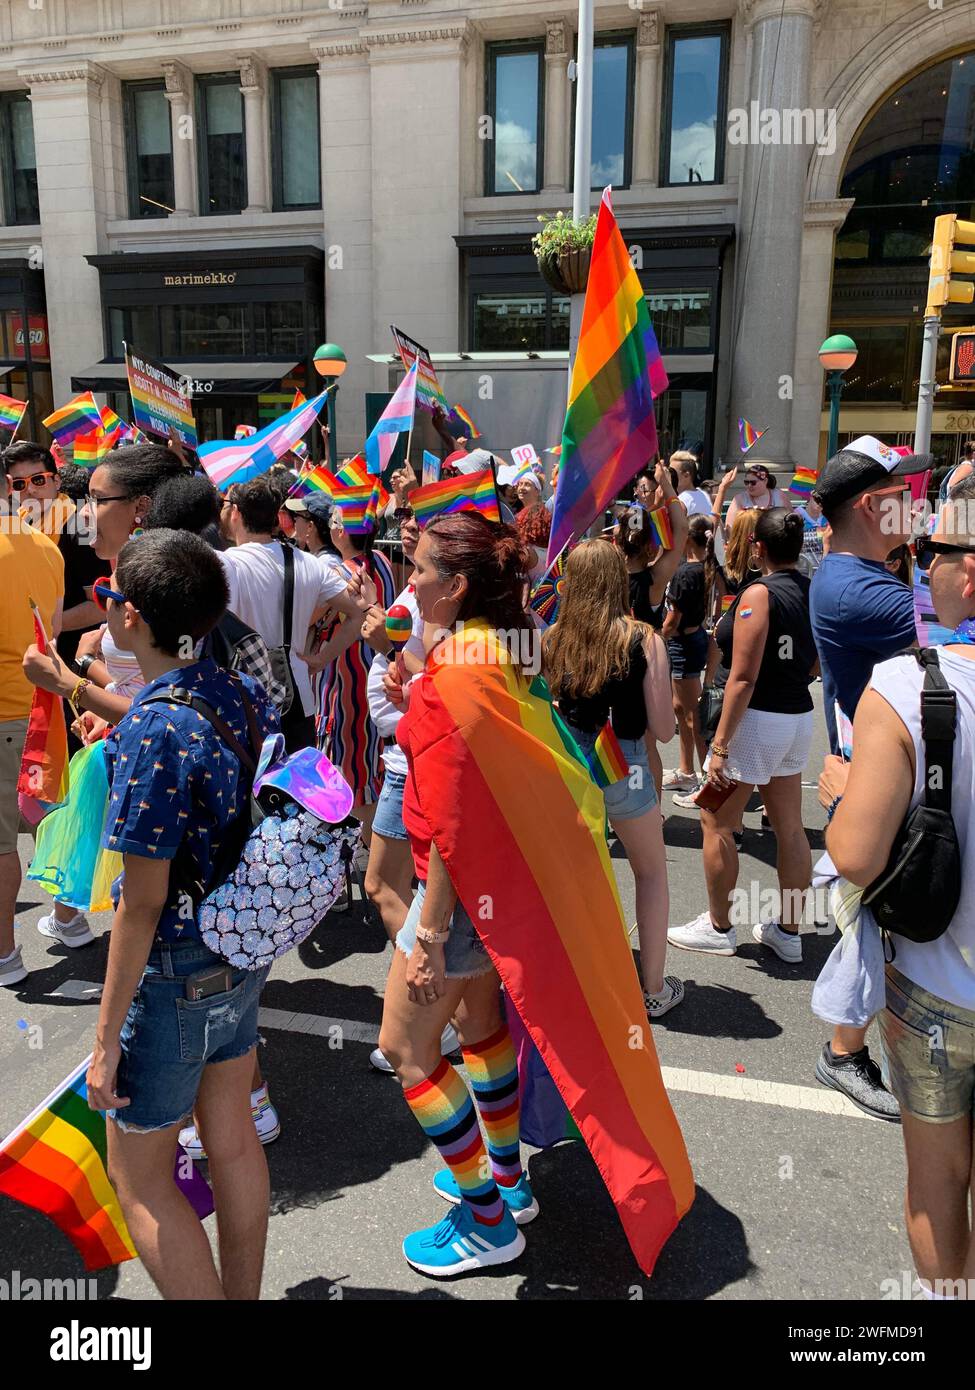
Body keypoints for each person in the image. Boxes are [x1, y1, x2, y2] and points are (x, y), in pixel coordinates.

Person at [377, 510, 692, 1276]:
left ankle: (486, 1220)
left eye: (417, 568)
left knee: (407, 1052)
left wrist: (426, 934)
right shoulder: (493, 651)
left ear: (453, 586)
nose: (407, 578)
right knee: (483, 1035)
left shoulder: (456, 673)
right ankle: (509, 1183)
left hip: (457, 891)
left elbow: (455, 820)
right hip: (501, 893)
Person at [84, 529, 278, 1299]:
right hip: (241, 949)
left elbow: (142, 902)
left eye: (107, 596)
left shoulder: (151, 729)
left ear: (130, 616)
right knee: (230, 1143)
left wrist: (104, 1043)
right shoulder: (229, 687)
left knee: (140, 1178)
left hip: (174, 971)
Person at [819, 477, 975, 1296]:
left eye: (933, 553)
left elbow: (851, 855)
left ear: (970, 573)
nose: (922, 569)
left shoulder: (907, 684)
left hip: (939, 986)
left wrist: (843, 788)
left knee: (937, 1183)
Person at [809, 434, 926, 1119]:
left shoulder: (863, 576)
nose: (914, 505)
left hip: (880, 777)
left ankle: (850, 1048)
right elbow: (949, 625)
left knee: (882, 924)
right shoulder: (857, 590)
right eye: (902, 496)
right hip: (878, 787)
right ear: (871, 504)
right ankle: (845, 1054)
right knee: (879, 923)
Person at [667, 509, 817, 961]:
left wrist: (719, 746)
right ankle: (788, 932)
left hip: (756, 723)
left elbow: (743, 678)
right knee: (789, 828)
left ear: (758, 548)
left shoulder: (759, 594)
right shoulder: (811, 591)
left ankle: (719, 927)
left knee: (714, 819)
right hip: (796, 718)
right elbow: (816, 659)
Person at [544, 540, 682, 1016]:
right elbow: (664, 730)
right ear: (618, 579)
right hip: (627, 767)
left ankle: (574, 977)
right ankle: (653, 988)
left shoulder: (553, 637)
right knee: (650, 873)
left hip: (569, 765)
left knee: (574, 878)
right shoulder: (644, 639)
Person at [218, 477, 369, 751]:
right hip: (298, 699)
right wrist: (323, 658)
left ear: (236, 512)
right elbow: (358, 614)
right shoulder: (310, 563)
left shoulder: (223, 565)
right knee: (295, 790)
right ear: (276, 518)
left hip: (240, 702)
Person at [0, 474, 63, 987]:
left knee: (2, 842)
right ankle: (70, 917)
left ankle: (4, 954)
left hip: (3, 712)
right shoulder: (45, 544)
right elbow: (54, 630)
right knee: (47, 820)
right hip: (44, 707)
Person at [301, 492, 395, 832]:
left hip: (344, 678)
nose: (331, 525)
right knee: (367, 762)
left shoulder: (337, 571)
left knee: (345, 765)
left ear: (342, 531)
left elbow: (313, 619)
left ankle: (366, 845)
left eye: (335, 520)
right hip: (375, 669)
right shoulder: (381, 560)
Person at [5, 440, 102, 669]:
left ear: (56, 480)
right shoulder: (17, 523)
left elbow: (100, 606)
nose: (30, 490)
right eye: (19, 484)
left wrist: (45, 626)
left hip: (74, 656)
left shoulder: (80, 527)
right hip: (31, 654)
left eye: (38, 480)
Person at [661, 514, 711, 792]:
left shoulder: (685, 573)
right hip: (692, 641)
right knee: (683, 711)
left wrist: (656, 635)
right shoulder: (704, 567)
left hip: (684, 643)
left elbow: (672, 619)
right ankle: (687, 770)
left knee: (693, 715)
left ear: (688, 539)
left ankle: (705, 780)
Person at [725, 463, 787, 528]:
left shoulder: (779, 496)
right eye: (746, 482)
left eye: (753, 482)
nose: (749, 485)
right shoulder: (739, 499)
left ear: (765, 481)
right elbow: (730, 528)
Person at [671, 451, 712, 517]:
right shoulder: (703, 494)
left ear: (686, 475)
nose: (670, 475)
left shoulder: (681, 501)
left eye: (673, 472)